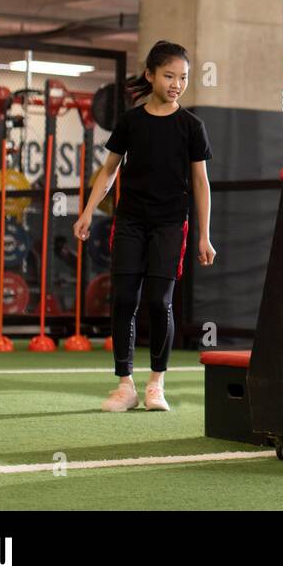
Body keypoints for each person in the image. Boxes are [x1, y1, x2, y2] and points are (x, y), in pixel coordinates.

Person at [75, 40, 216, 413]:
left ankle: (156, 384)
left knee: (159, 301)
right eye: (169, 76)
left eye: (183, 77)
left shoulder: (192, 127)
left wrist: (204, 234)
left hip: (171, 223)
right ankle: (125, 386)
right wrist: (88, 210)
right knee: (124, 299)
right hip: (131, 220)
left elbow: (201, 183)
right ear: (151, 75)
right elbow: (109, 169)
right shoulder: (131, 121)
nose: (176, 84)